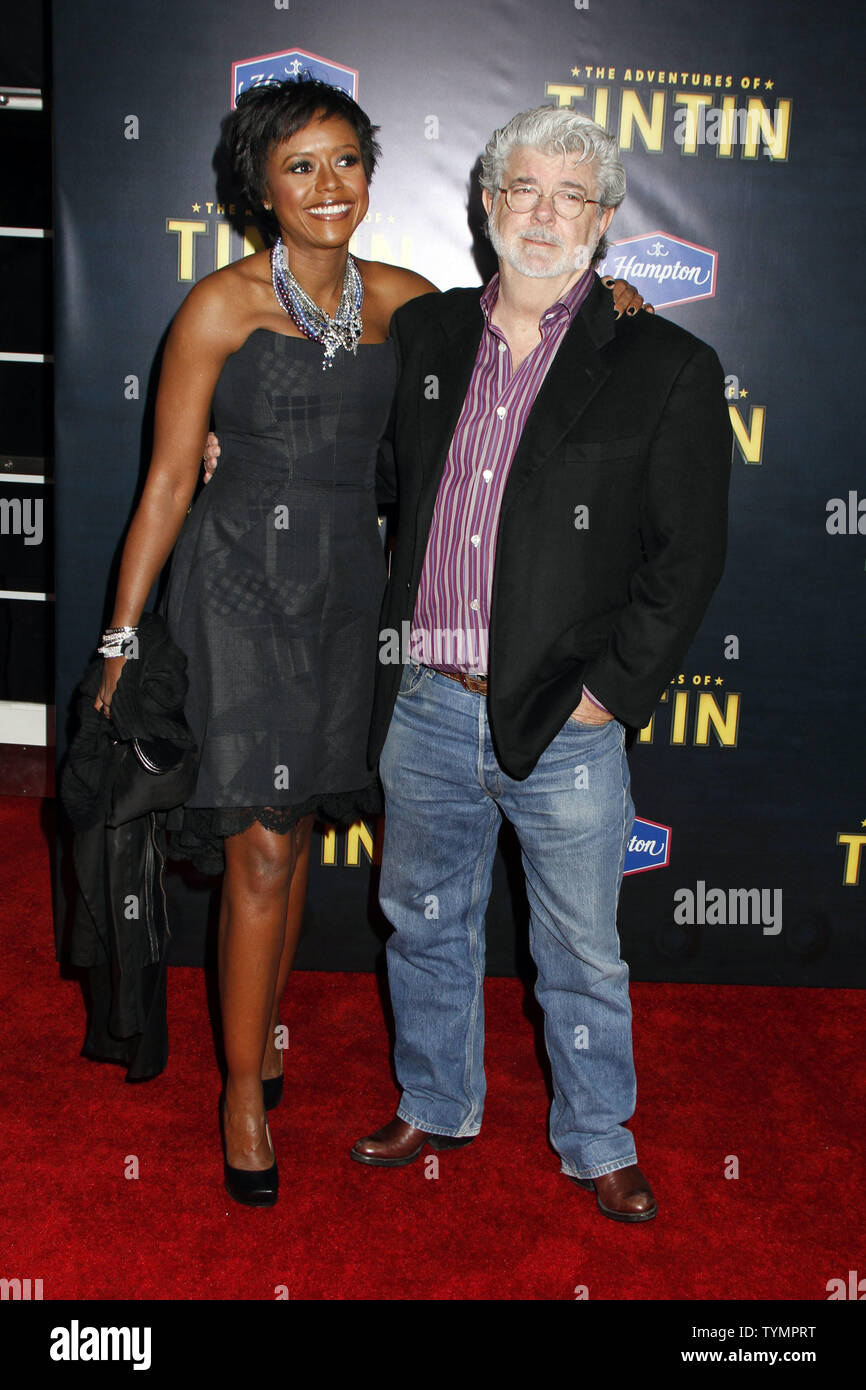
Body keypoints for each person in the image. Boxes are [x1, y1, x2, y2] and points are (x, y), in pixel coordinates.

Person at [351, 105, 731, 1223]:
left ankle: (595, 1136)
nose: (544, 214)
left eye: (572, 195)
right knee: (419, 918)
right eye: (523, 190)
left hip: (564, 717)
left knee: (580, 952)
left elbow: (686, 554)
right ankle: (434, 1098)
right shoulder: (423, 339)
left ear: (605, 221)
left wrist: (607, 694)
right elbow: (379, 479)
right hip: (422, 700)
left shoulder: (663, 363)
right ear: (484, 206)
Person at [94, 77, 437, 1207]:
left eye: (344, 160)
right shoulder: (220, 307)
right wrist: (120, 637)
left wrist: (610, 302)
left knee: (289, 831)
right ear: (259, 186)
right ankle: (242, 1093)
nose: (327, 185)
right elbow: (161, 483)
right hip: (237, 598)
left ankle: (267, 1028)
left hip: (352, 601)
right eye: (300, 166)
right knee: (260, 846)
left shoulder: (408, 302)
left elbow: (523, 358)